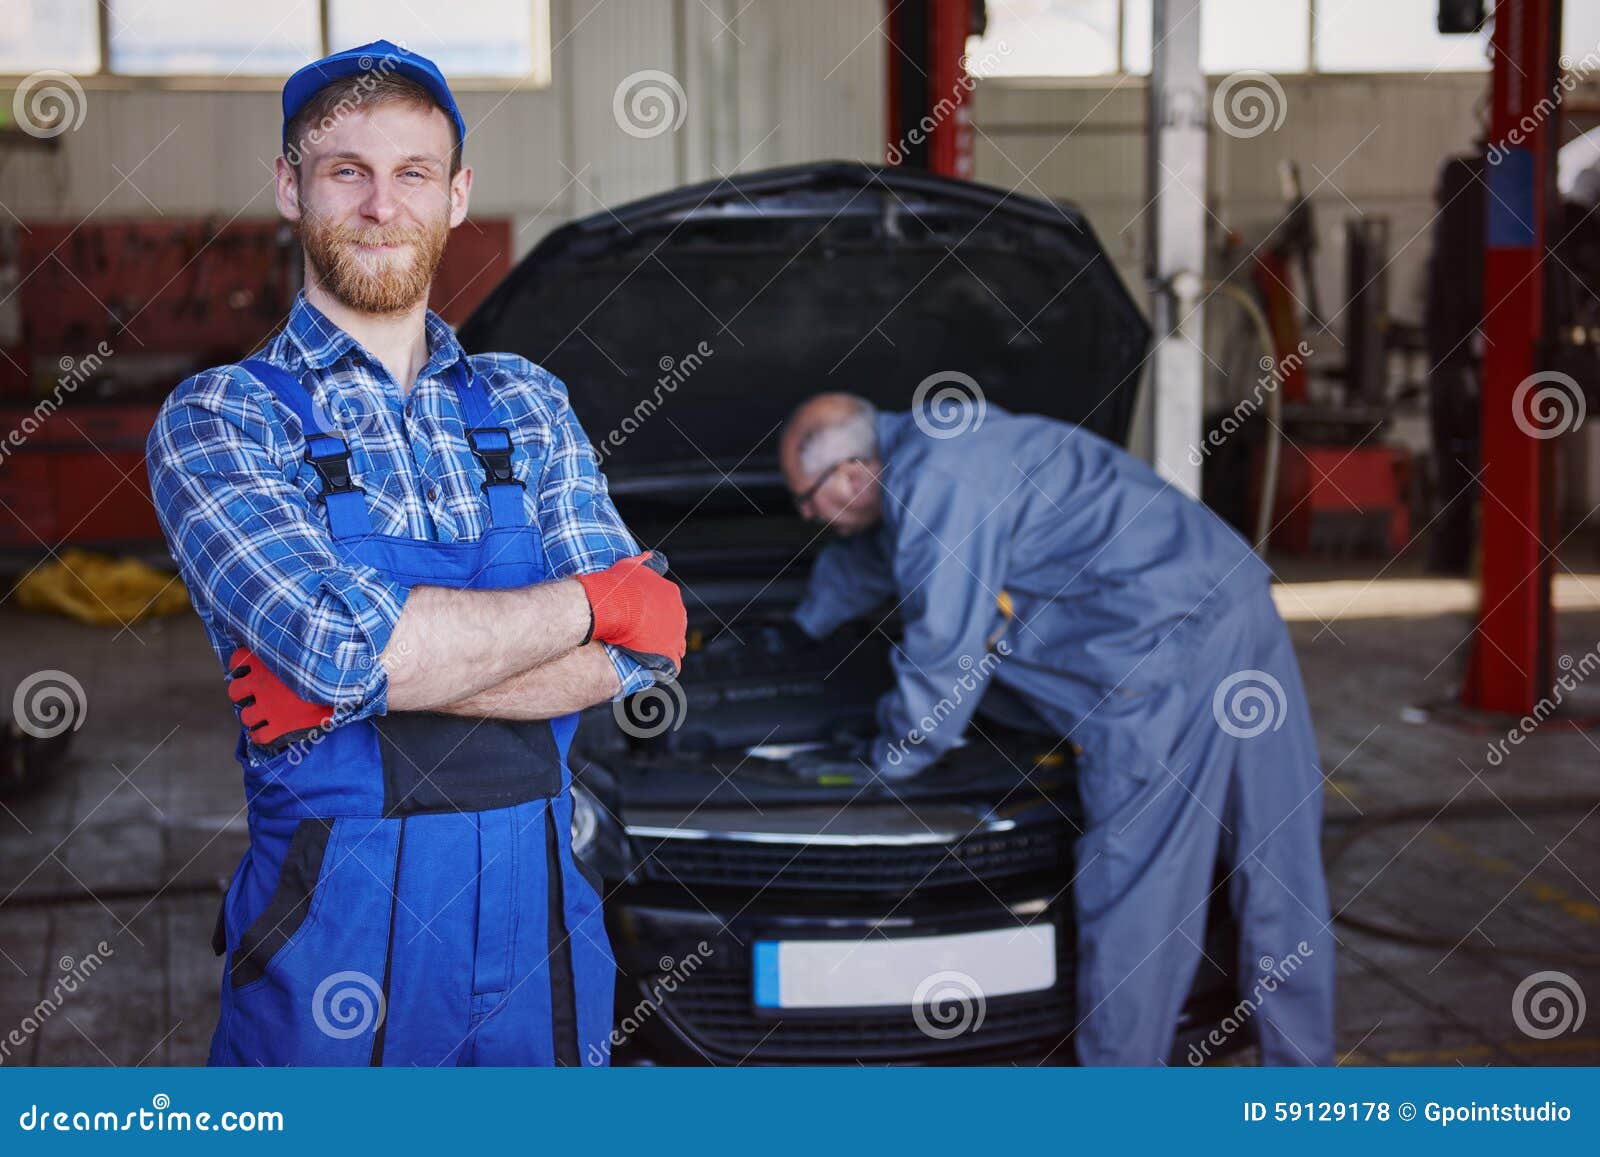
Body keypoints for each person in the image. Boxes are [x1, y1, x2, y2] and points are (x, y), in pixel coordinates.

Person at [146, 41, 686, 1066]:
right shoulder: (221, 419)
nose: (381, 204)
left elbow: (643, 651)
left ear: (455, 195)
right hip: (330, 946)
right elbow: (346, 649)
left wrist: (368, 677)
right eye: (346, 170)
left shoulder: (528, 401)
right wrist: (591, 603)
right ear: (290, 187)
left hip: (540, 938)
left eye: (414, 173)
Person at [778, 392, 1334, 1066]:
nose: (806, 516)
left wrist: (888, 757)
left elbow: (944, 650)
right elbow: (870, 563)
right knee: (1280, 864)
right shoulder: (940, 448)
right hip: (1235, 597)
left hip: (1162, 650)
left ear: (849, 475)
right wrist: (795, 631)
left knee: (1140, 890)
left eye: (805, 499)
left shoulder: (936, 480)